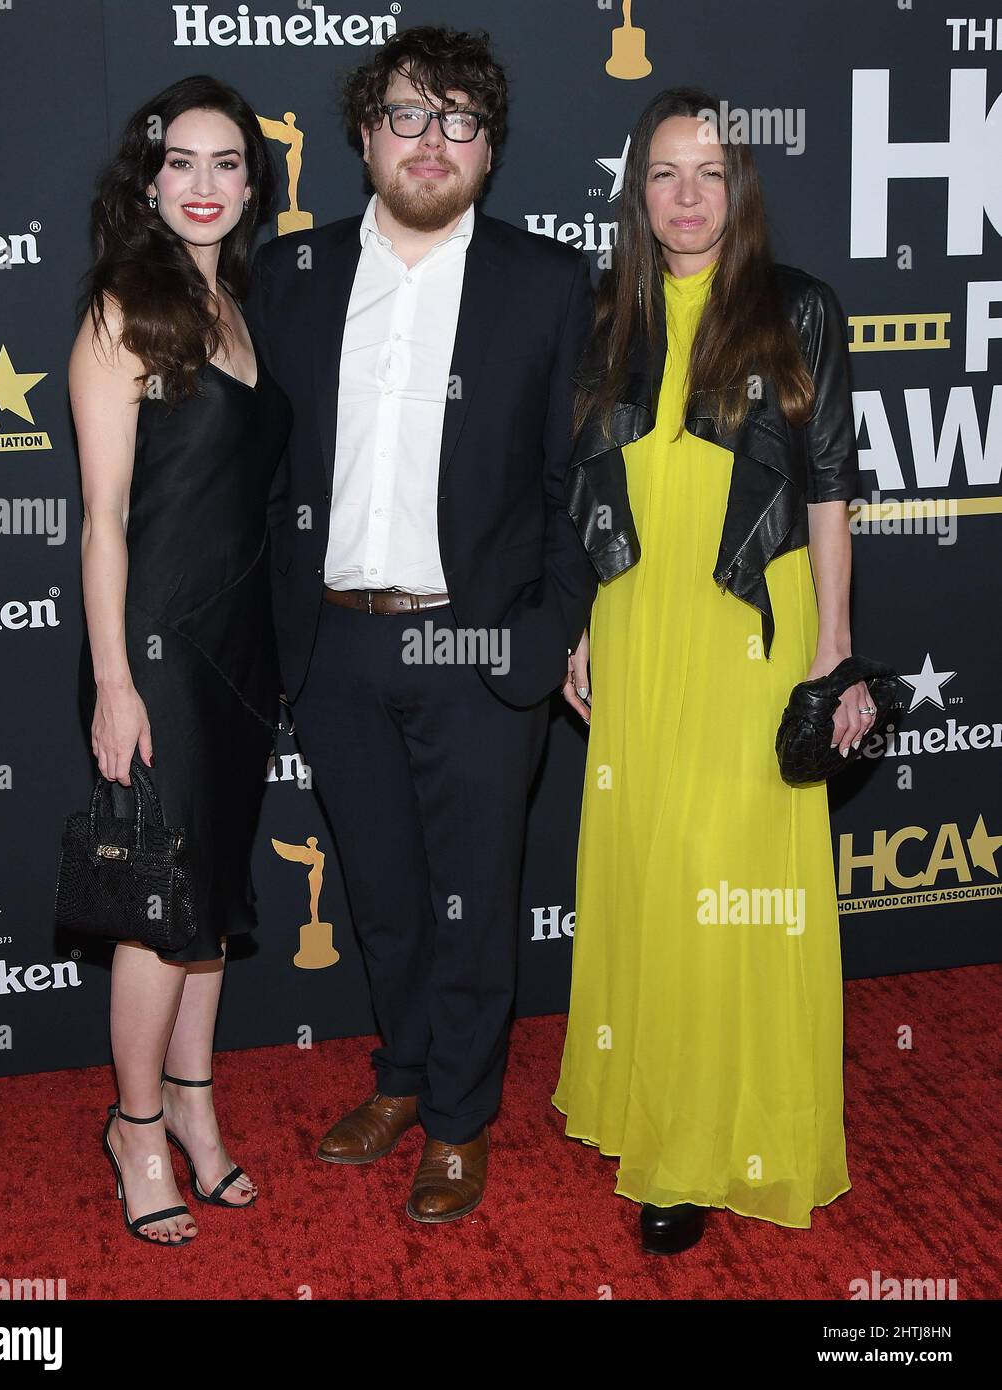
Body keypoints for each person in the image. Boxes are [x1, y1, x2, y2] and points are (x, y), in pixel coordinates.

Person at [245, 26, 597, 1223]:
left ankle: (457, 1116)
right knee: (383, 891)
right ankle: (400, 1074)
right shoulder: (288, 276)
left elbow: (573, 480)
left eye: (459, 120)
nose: (431, 140)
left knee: (473, 898)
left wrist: (551, 626)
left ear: (488, 149)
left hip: (478, 645)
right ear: (364, 135)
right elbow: (258, 468)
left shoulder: (545, 281)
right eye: (407, 114)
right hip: (335, 641)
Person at [553, 87, 870, 1254]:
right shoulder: (608, 314)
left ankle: (705, 1144)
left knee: (720, 877)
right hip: (637, 624)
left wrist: (834, 649)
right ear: (635, 192)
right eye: (663, 173)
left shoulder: (797, 308)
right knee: (650, 873)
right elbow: (583, 487)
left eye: (709, 173)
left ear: (740, 188)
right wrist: (581, 622)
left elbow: (827, 483)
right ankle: (654, 1110)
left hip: (750, 626)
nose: (686, 197)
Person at [70, 75, 291, 1245]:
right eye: (181, 163)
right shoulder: (125, 309)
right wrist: (114, 679)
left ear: (253, 186)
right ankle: (137, 1126)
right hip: (153, 645)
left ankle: (196, 1106)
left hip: (238, 651)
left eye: (227, 164)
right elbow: (103, 517)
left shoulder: (240, 312)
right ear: (148, 183)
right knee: (160, 907)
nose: (203, 185)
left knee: (209, 900)